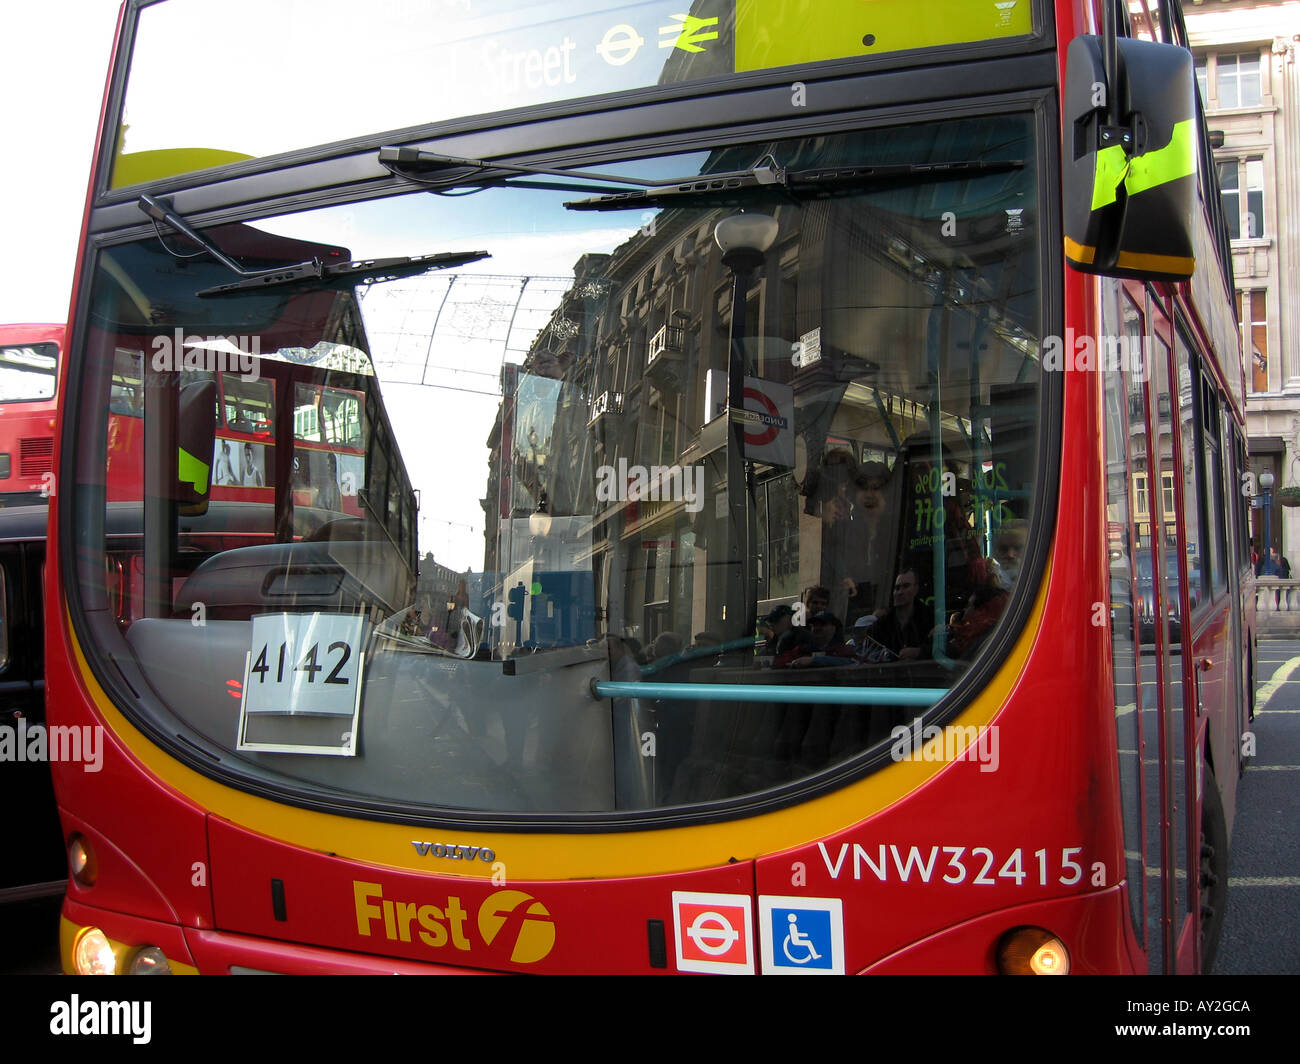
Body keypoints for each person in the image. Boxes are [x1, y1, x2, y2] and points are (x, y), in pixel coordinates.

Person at [869, 568, 933, 661]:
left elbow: (944, 649)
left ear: (916, 589)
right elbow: (869, 653)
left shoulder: (929, 618)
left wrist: (919, 652)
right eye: (897, 588)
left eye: (906, 586)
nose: (900, 592)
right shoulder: (881, 624)